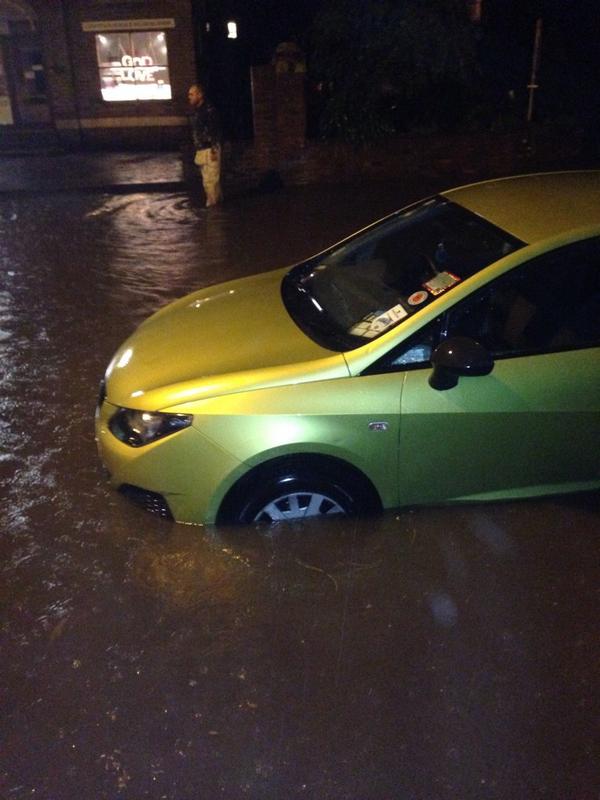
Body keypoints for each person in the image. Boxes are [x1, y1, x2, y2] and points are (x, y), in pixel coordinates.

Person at [187, 83, 223, 207]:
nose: (189, 97)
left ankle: (213, 207)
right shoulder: (196, 112)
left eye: (192, 94)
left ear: (200, 95)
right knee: (208, 181)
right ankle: (216, 205)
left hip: (209, 149)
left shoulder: (208, 111)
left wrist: (213, 149)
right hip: (202, 149)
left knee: (211, 181)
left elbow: (215, 130)